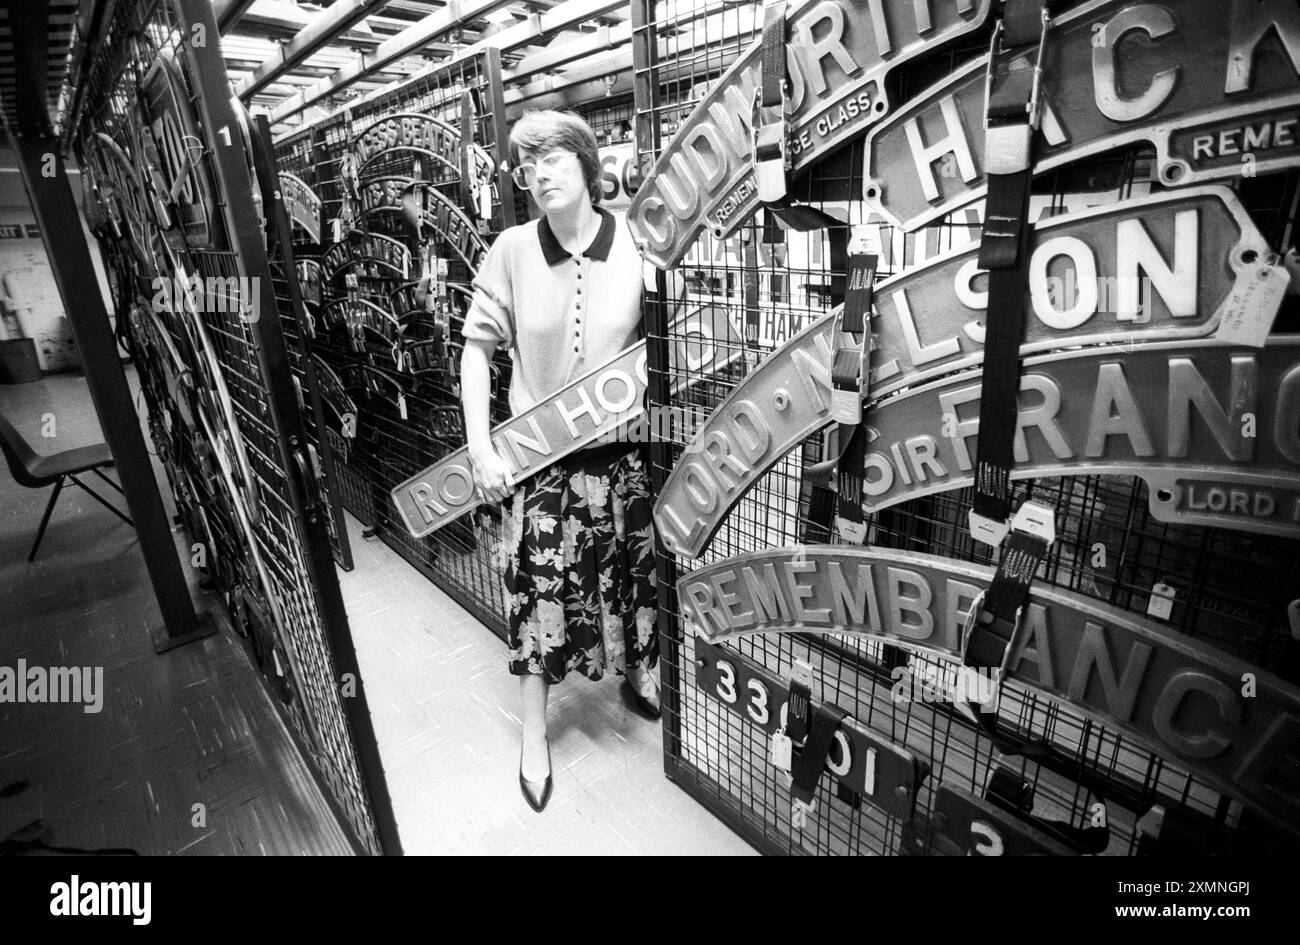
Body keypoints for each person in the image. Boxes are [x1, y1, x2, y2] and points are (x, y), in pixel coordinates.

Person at [460, 110, 661, 813]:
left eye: (550, 156)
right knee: (537, 595)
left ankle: (641, 678)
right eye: (526, 163)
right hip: (542, 464)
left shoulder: (638, 241)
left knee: (635, 579)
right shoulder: (512, 248)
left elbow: (665, 344)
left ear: (585, 162)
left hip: (622, 458)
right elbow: (477, 350)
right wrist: (481, 444)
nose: (538, 172)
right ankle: (534, 734)